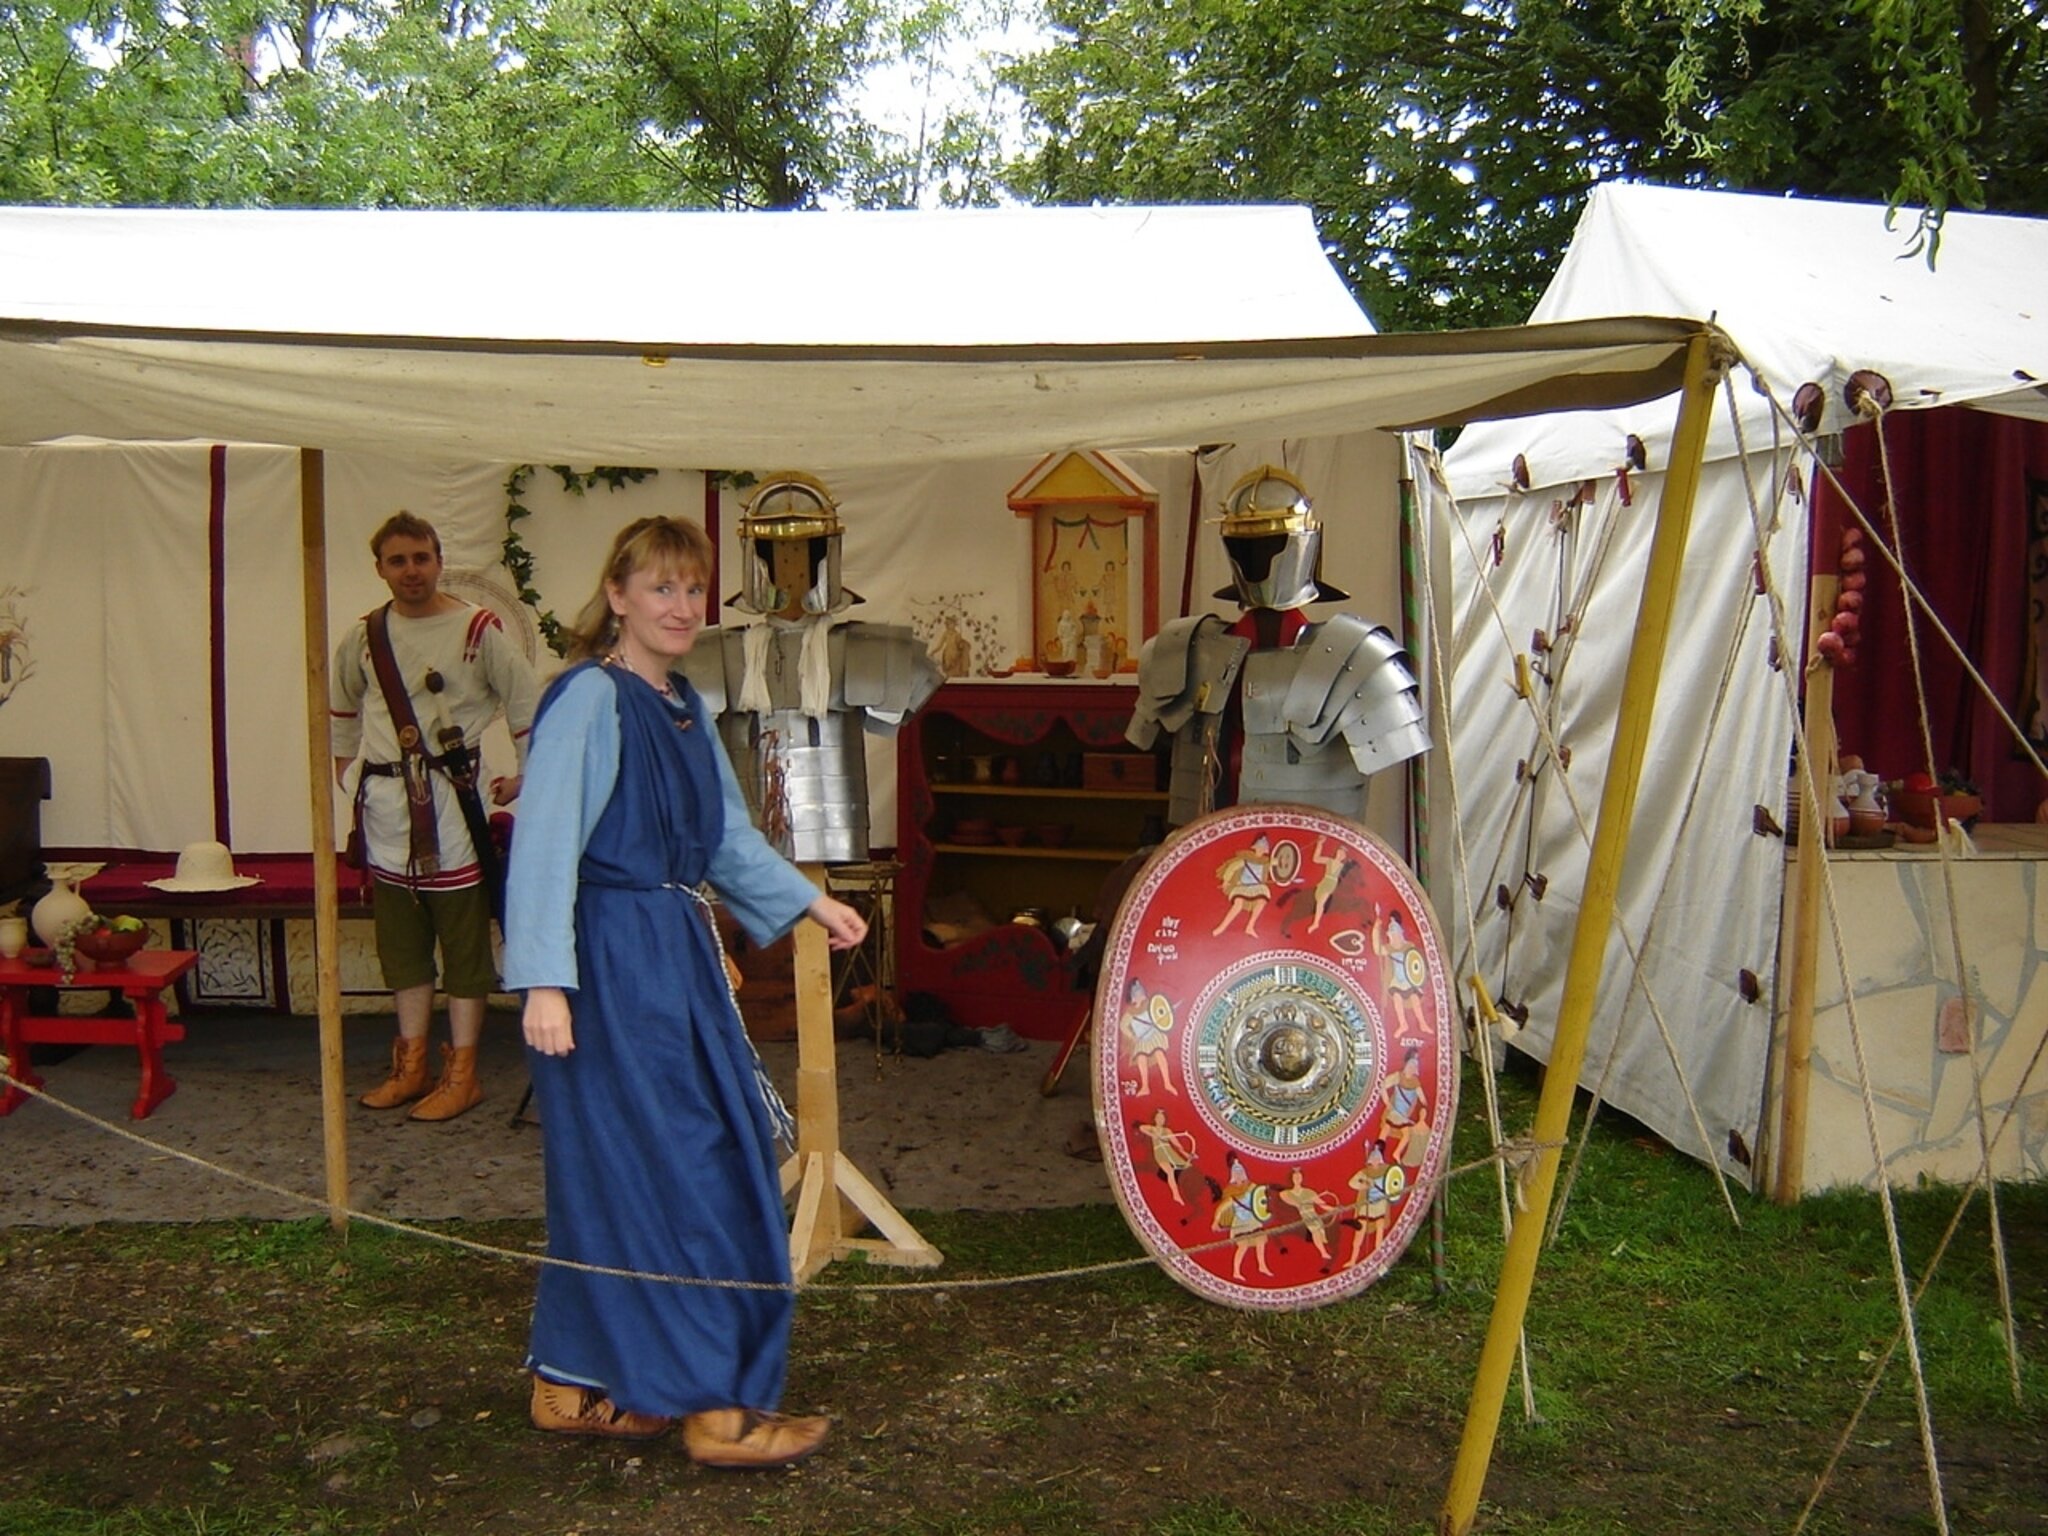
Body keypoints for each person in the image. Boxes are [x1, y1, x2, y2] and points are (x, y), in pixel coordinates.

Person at [502, 515, 868, 1468]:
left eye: (693, 590)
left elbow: (725, 842)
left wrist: (805, 907)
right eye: (660, 588)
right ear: (617, 596)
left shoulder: (683, 707)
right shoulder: (589, 696)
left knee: (667, 1162)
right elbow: (543, 839)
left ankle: (579, 1383)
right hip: (607, 959)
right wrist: (546, 983)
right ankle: (714, 1406)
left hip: (675, 955)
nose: (681, 607)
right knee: (672, 1169)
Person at [332, 511, 538, 1121]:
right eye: (398, 561)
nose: (411, 571)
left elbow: (526, 703)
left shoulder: (477, 630)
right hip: (389, 818)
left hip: (451, 814)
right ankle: (412, 1065)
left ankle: (463, 1074)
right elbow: (342, 707)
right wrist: (347, 776)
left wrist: (527, 776)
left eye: (421, 558)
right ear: (380, 569)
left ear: (438, 560)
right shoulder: (366, 636)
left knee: (464, 946)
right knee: (403, 948)